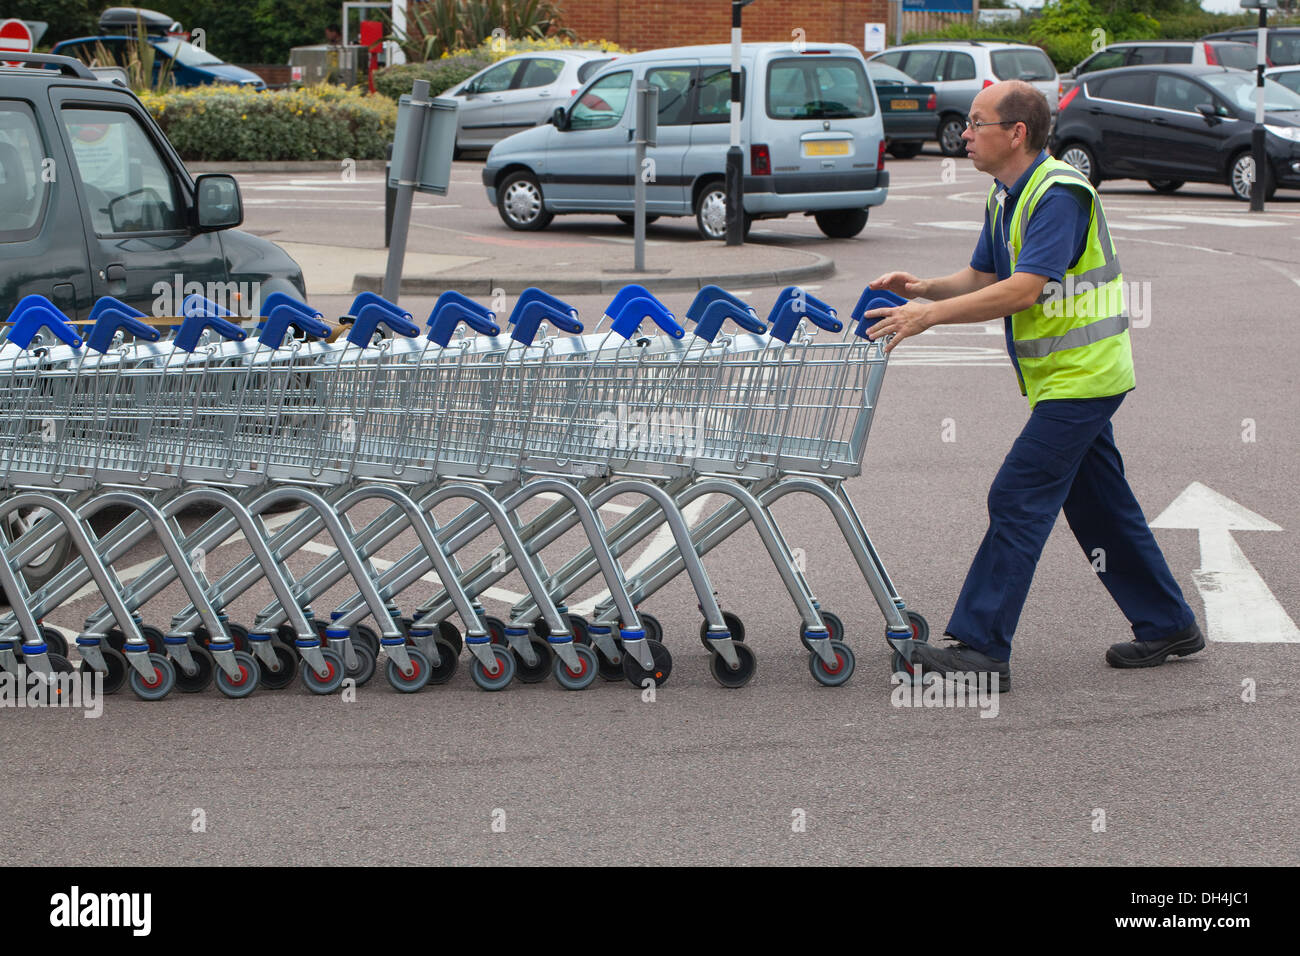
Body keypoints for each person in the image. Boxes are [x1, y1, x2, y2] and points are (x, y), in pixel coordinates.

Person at [862, 80, 1201, 692]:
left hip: (1085, 377)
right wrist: (923, 290)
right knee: (1102, 506)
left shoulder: (1059, 194)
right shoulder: (1006, 195)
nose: (965, 134)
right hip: (1064, 381)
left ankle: (983, 648)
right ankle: (1169, 623)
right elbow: (984, 274)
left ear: (1016, 133)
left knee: (1016, 497)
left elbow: (1025, 289)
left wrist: (927, 319)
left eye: (977, 123)